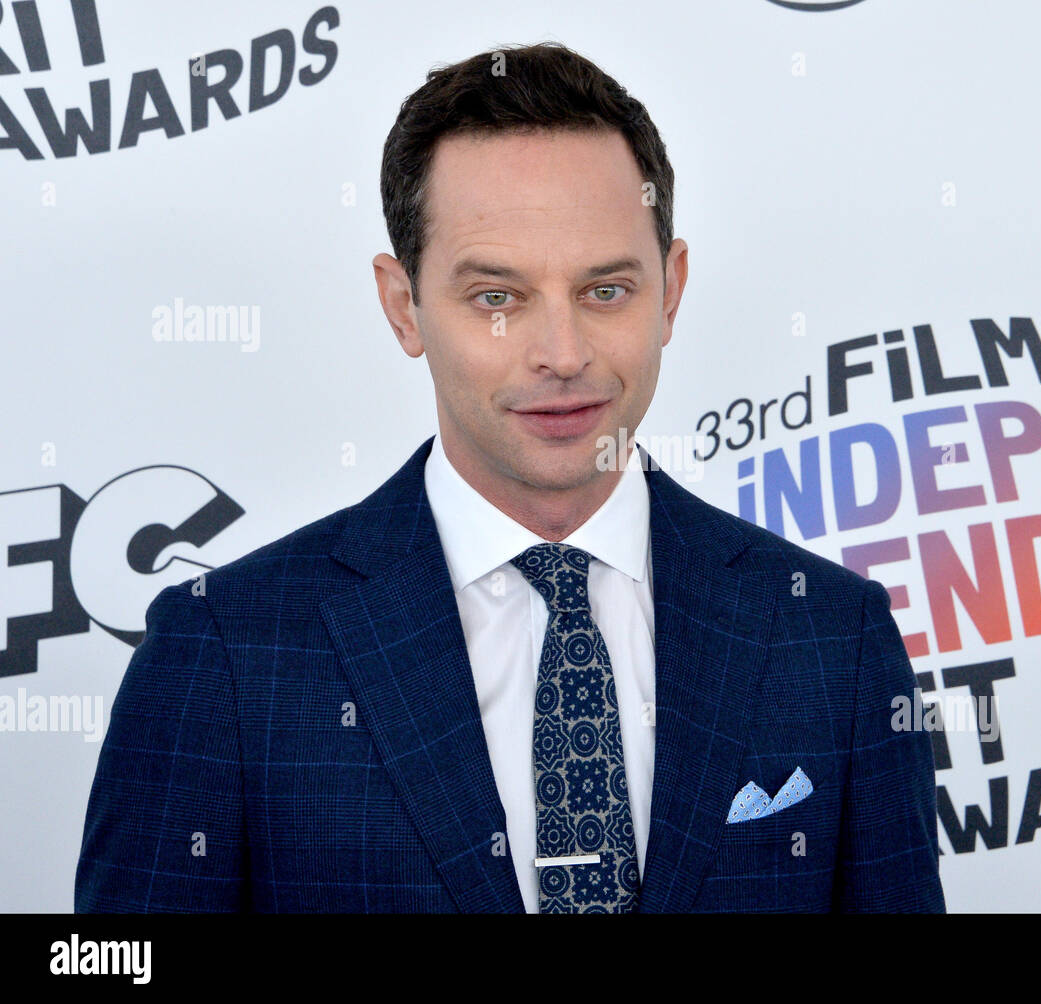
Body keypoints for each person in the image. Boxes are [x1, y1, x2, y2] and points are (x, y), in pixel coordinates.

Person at [75, 41, 944, 913]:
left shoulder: (835, 639)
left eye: (606, 291)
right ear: (402, 305)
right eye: (497, 297)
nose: (562, 356)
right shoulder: (226, 652)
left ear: (671, 291)